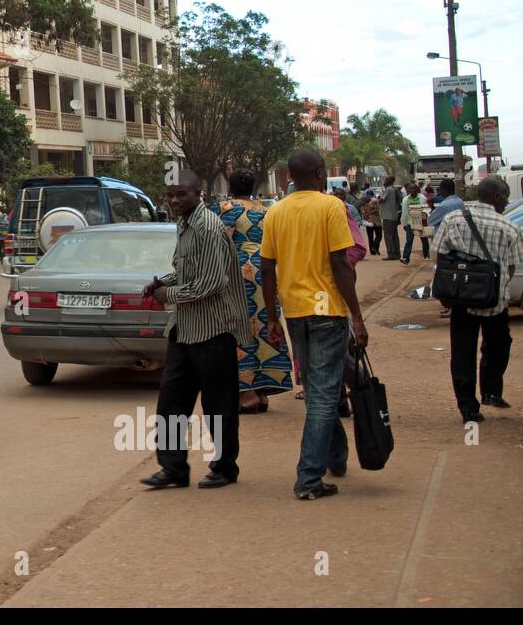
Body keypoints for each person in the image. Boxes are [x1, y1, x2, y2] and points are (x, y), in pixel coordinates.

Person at [261, 150, 369, 501]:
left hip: (295, 311)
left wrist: (272, 316)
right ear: (321, 173)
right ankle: (308, 478)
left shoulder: (276, 211)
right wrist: (357, 316)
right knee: (324, 394)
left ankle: (335, 457)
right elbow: (341, 263)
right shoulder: (330, 207)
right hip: (327, 309)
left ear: (290, 175)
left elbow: (266, 268)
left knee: (322, 387)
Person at [139, 171, 252, 490]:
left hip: (213, 330)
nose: (175, 201)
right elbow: (185, 271)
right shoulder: (184, 224)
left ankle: (225, 467)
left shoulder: (208, 227)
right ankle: (173, 468)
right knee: (172, 402)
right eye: (171, 195)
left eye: (182, 195)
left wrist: (169, 295)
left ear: (198, 194)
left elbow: (214, 282)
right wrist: (162, 281)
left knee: (219, 405)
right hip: (185, 329)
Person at [432, 176, 522, 420]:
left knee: (462, 352)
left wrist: (444, 290)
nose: (506, 201)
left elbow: (438, 254)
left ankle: (468, 407)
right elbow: (513, 266)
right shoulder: (508, 227)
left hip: (461, 297)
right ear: (496, 197)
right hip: (493, 300)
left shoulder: (453, 220)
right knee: (499, 345)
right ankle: (491, 390)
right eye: (505, 196)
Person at [216, 168, 293, 415]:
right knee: (265, 325)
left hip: (238, 272)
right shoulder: (266, 210)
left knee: (240, 331)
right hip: (267, 271)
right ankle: (263, 391)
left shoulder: (226, 209)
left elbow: (221, 241)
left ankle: (247, 393)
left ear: (230, 188)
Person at [400, 181, 430, 264]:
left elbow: (425, 211)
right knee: (409, 241)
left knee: (424, 239)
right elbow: (404, 212)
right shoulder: (405, 200)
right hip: (410, 223)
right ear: (408, 190)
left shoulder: (422, 198)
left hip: (420, 223)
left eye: (413, 189)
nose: (412, 190)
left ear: (417, 190)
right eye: (410, 189)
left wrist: (426, 223)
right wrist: (404, 223)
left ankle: (426, 255)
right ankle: (406, 258)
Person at [378, 175, 402, 260]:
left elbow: (381, 200)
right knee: (394, 235)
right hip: (394, 215)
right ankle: (397, 253)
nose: (384, 181)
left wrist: (378, 198)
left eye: (386, 180)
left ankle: (391, 254)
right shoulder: (395, 189)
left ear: (389, 181)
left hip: (388, 216)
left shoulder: (388, 189)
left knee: (388, 235)